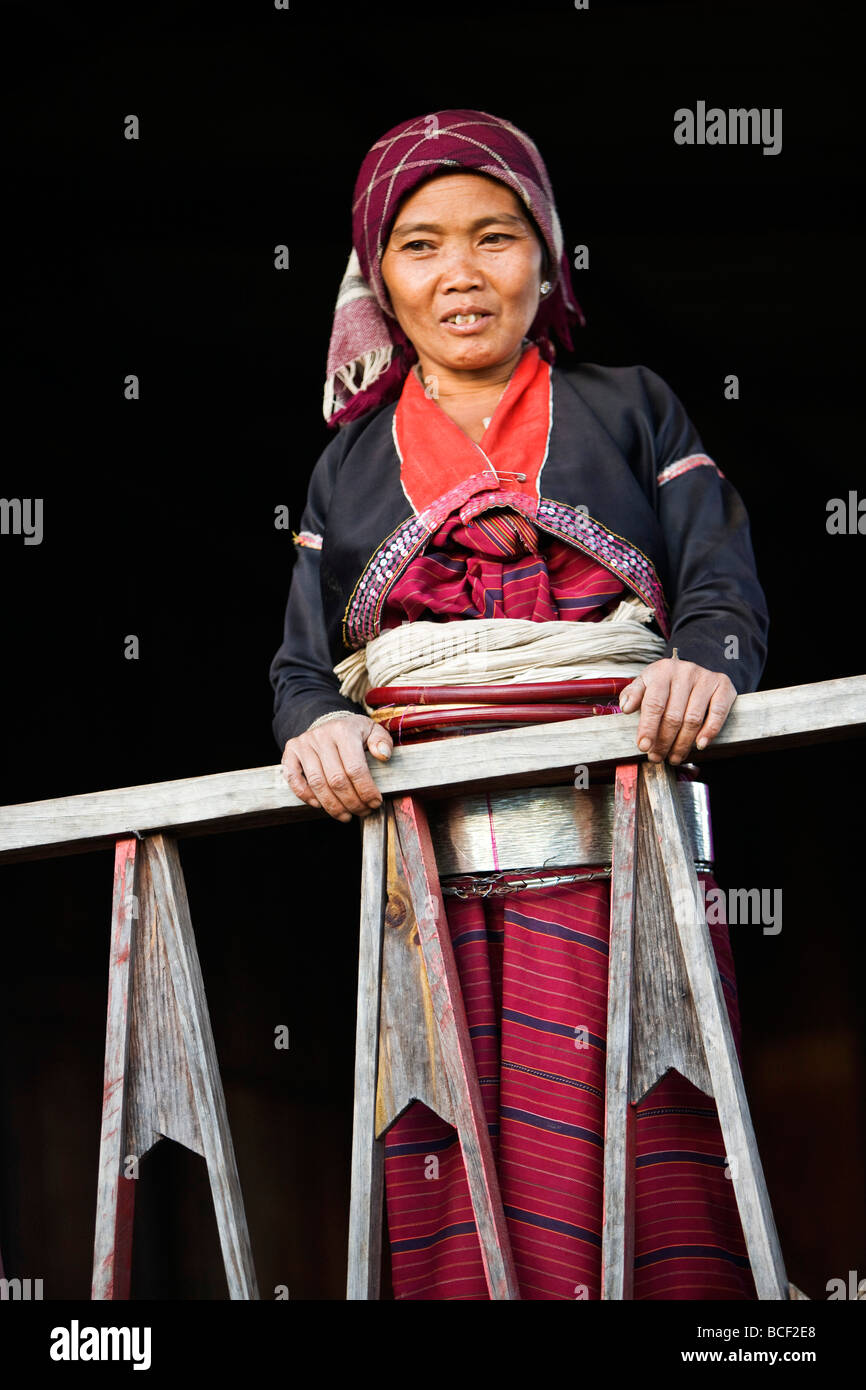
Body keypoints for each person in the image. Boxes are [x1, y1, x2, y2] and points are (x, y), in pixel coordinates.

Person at [269, 110, 769, 1300]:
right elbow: (300, 671)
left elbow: (717, 585)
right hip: (427, 883)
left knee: (651, 1142)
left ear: (545, 257)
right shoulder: (345, 470)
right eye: (419, 245)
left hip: (623, 855)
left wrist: (702, 664)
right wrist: (319, 727)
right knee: (453, 1158)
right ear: (377, 279)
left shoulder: (632, 405)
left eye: (494, 237)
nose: (459, 274)